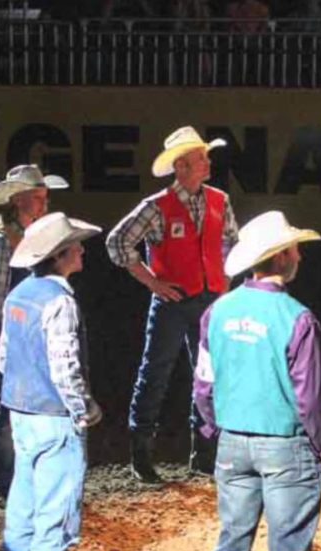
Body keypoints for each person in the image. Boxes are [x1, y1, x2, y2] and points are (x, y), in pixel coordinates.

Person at [193, 210, 321, 551]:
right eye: (295, 249)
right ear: (280, 257)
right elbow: (312, 398)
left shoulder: (217, 312)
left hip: (232, 443)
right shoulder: (297, 319)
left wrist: (214, 426)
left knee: (231, 547)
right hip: (285, 447)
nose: (300, 256)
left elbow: (203, 384)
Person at [106, 125, 238, 483]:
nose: (207, 162)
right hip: (173, 301)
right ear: (181, 166)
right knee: (156, 374)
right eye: (200, 158)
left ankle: (204, 455)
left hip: (210, 300)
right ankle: (142, 453)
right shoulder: (157, 207)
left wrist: (224, 282)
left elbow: (231, 245)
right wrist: (152, 281)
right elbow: (117, 243)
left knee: (209, 377)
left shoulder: (218, 201)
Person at [0, 212, 103, 551]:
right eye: (74, 245)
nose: (80, 250)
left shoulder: (18, 295)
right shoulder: (60, 301)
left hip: (21, 415)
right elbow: (65, 368)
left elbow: (5, 358)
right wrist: (84, 410)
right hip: (55, 420)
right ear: (59, 255)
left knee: (21, 514)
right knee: (54, 522)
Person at [0, 164, 69, 500]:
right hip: (17, 340)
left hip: (40, 337)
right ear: (19, 200)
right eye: (37, 198)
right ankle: (7, 485)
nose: (44, 205)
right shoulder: (0, 243)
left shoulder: (36, 239)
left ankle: (27, 480)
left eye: (44, 198)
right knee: (10, 411)